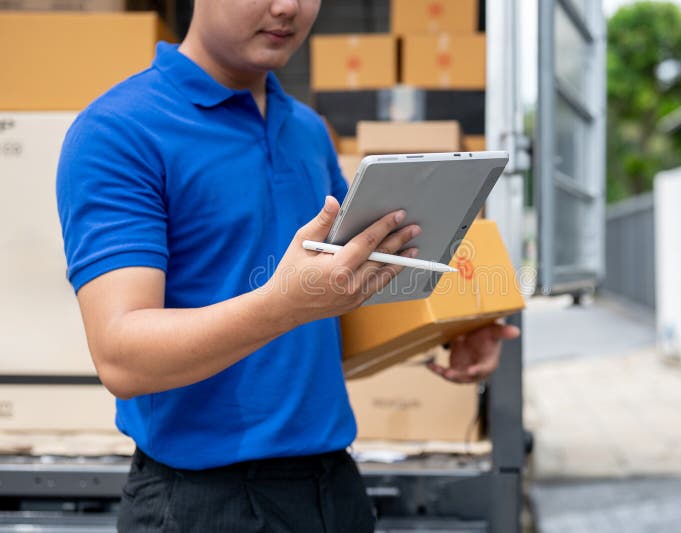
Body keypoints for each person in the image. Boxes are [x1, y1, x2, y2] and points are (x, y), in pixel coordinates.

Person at [56, 0, 520, 531]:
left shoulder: (305, 129)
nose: (289, 7)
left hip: (333, 486)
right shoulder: (119, 132)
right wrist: (284, 303)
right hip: (203, 502)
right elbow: (122, 356)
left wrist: (450, 329)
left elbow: (347, 291)